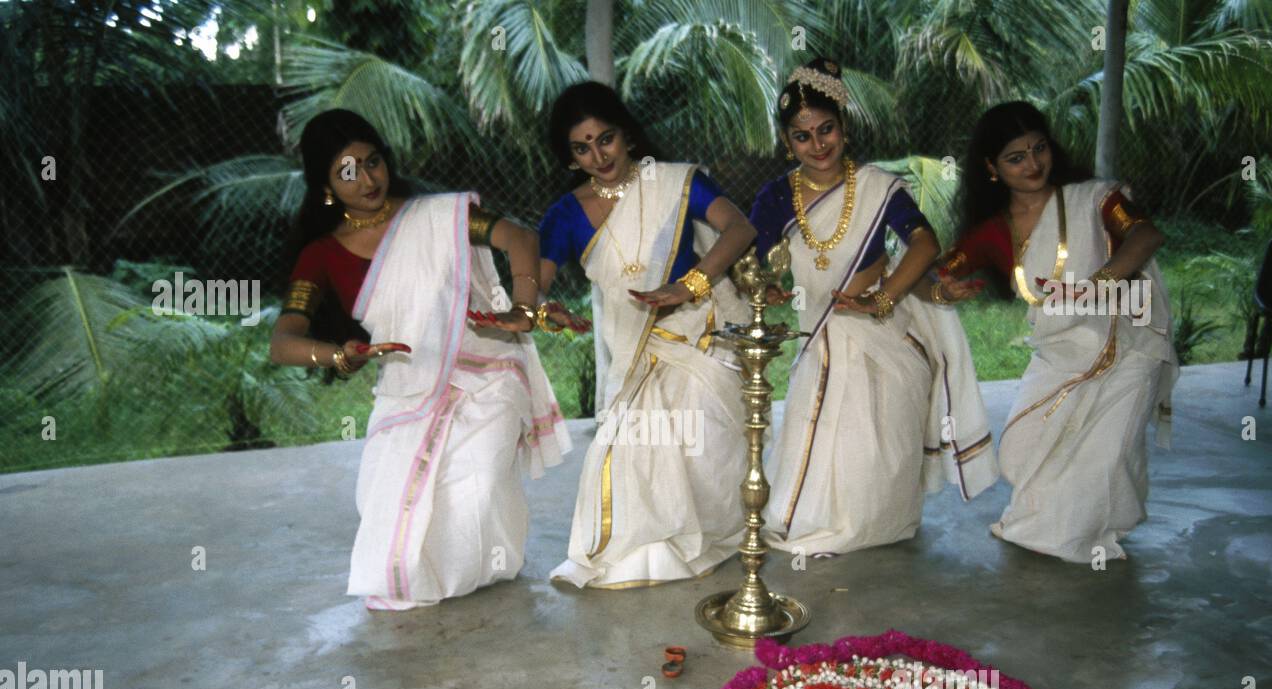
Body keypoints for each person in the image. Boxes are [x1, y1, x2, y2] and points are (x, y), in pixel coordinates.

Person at [269, 109, 580, 609]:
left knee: (476, 482)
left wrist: (525, 307)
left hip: (489, 370)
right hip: (408, 387)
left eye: (373, 162)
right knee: (384, 506)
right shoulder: (323, 254)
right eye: (348, 171)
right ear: (326, 186)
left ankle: (484, 565)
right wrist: (337, 355)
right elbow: (283, 341)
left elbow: (518, 237)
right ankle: (439, 574)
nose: (368, 179)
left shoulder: (437, 218)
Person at [748, 58, 996, 556]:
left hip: (882, 334)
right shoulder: (776, 196)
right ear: (786, 141)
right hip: (818, 335)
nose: (818, 146)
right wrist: (765, 287)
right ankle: (824, 521)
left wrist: (881, 299)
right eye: (802, 136)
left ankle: (877, 522)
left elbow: (924, 244)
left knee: (874, 447)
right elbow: (752, 263)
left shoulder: (878, 186)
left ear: (844, 126)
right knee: (813, 443)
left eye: (826, 130)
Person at [926, 101, 1178, 563]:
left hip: (1129, 342)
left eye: (1038, 148)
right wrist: (945, 292)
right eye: (1016, 158)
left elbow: (1146, 237)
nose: (1034, 164)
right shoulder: (992, 232)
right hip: (1059, 350)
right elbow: (939, 277)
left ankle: (1083, 530)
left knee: (1103, 453)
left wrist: (1095, 286)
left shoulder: (1095, 199)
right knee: (1019, 455)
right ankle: (1062, 521)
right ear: (992, 168)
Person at [539, 82, 757, 589]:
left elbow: (740, 229)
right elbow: (541, 284)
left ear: (629, 135)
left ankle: (707, 534)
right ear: (570, 157)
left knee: (694, 431)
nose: (598, 155)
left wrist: (689, 285)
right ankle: (650, 547)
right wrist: (548, 311)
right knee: (634, 442)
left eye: (606, 138)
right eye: (582, 147)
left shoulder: (677, 183)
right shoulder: (565, 215)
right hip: (633, 350)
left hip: (695, 333)